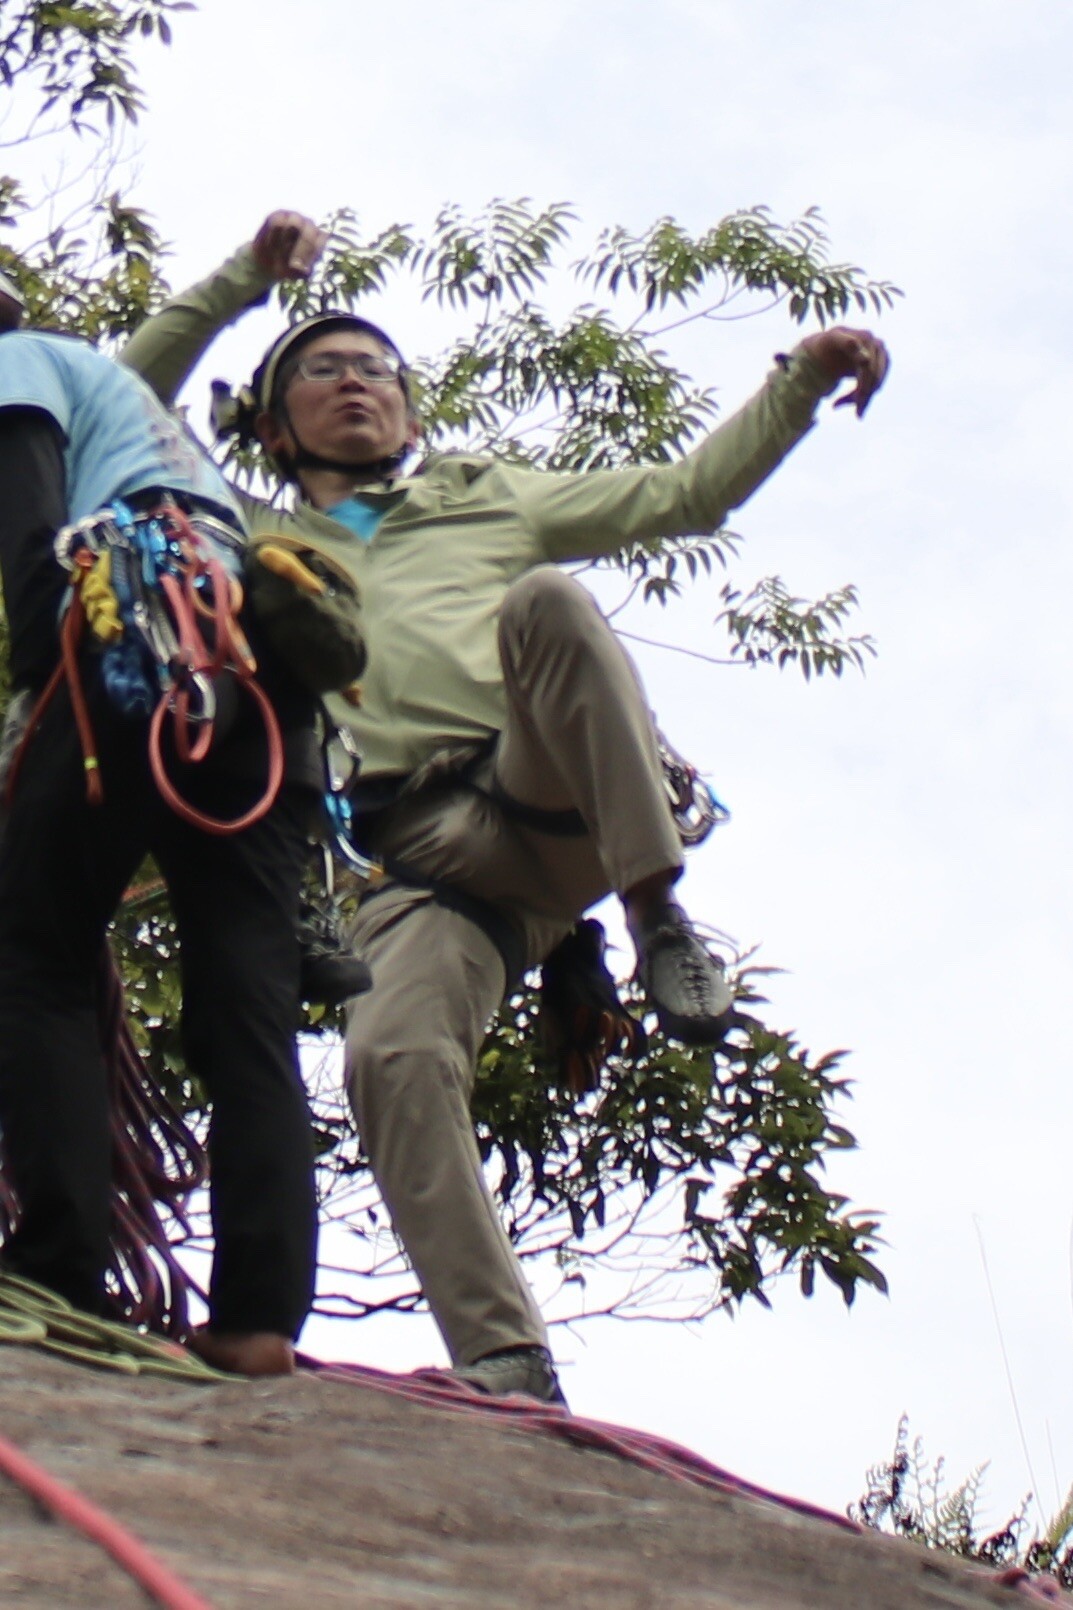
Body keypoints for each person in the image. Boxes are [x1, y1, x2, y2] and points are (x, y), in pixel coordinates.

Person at [122, 211, 889, 1403]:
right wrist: (243, 278)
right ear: (274, 422)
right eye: (322, 369)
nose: (356, 384)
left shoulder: (486, 496)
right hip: (412, 861)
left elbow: (685, 493)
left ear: (412, 410)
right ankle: (505, 1359)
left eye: (377, 368)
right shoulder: (251, 534)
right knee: (390, 1058)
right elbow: (123, 393)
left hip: (550, 797)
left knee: (547, 602)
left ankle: (657, 916)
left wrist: (796, 382)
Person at [0, 311, 329, 1376]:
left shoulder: (17, 363)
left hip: (135, 619)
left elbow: (33, 528)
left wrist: (36, 682)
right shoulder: (129, 397)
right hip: (256, 670)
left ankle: (55, 1275)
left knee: (33, 948)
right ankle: (256, 1320)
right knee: (247, 1007)